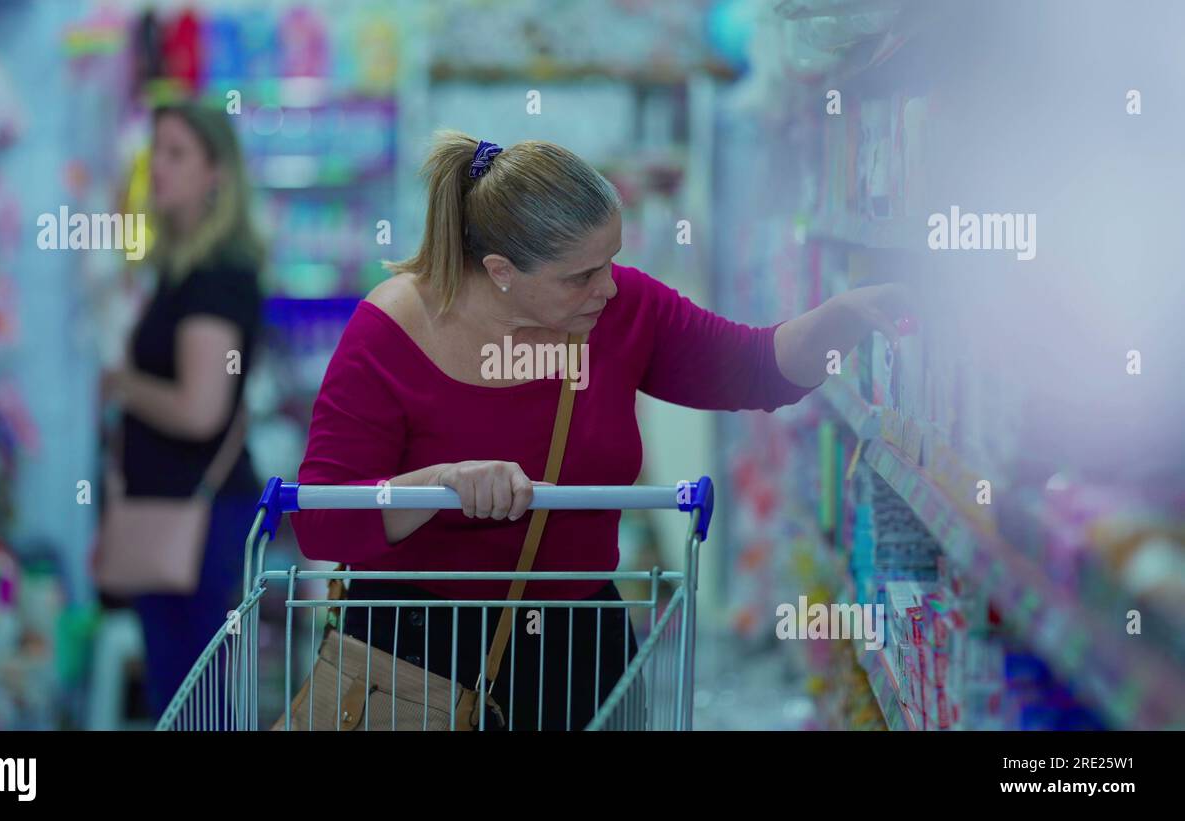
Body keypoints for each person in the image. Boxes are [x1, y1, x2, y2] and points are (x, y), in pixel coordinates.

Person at [292, 131, 911, 730]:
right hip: (410, 654)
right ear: (502, 269)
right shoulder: (390, 331)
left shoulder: (621, 312)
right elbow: (324, 517)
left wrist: (845, 314)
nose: (607, 286)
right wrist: (439, 484)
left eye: (611, 260)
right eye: (580, 275)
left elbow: (755, 369)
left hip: (576, 654)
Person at [101, 103, 264, 718]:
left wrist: (123, 385)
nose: (158, 169)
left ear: (216, 173)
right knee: (183, 695)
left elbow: (200, 410)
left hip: (200, 520)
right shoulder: (183, 269)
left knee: (195, 700)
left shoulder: (216, 276)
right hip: (174, 513)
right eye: (155, 152)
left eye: (176, 154)